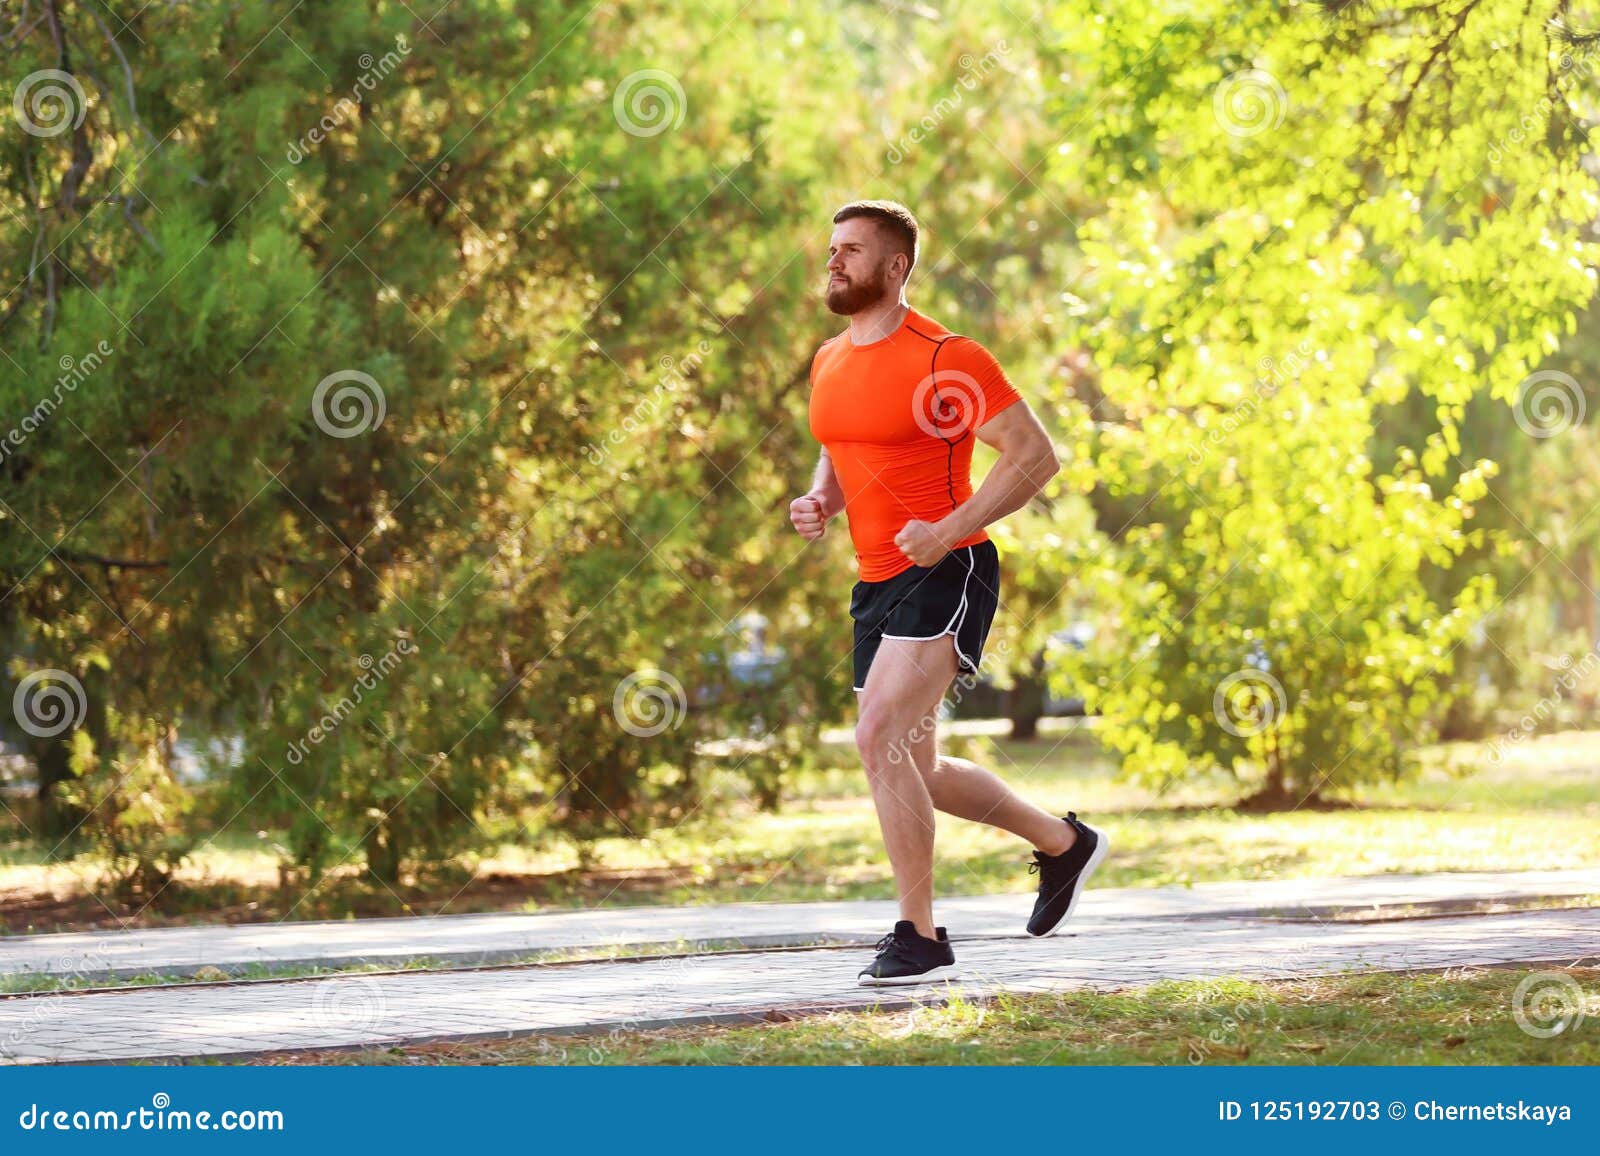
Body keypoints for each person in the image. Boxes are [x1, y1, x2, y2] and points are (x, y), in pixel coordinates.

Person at [791, 199, 1108, 986]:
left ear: (896, 266)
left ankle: (920, 934)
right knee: (915, 765)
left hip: (947, 568)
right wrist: (821, 500)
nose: (834, 260)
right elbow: (842, 446)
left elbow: (1034, 455)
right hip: (875, 581)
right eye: (833, 248)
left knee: (877, 738)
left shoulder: (945, 357)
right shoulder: (830, 358)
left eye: (852, 249)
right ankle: (1064, 844)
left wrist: (947, 529)